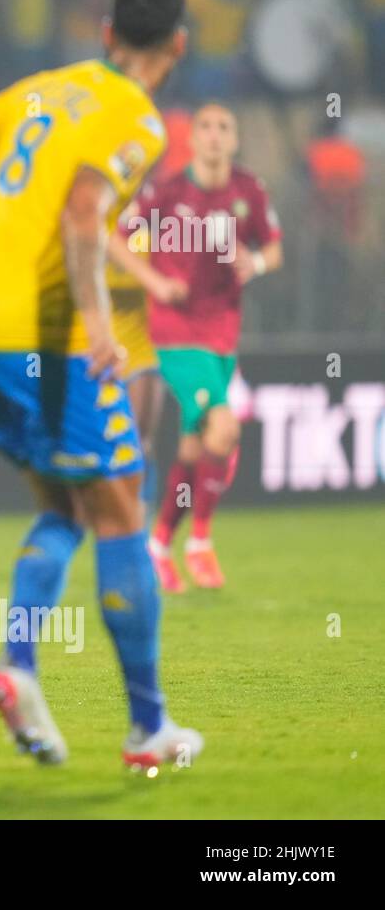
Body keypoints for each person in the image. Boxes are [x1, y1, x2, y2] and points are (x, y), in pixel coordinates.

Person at [0, 0, 203, 769]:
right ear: (176, 45)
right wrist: (100, 323)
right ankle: (149, 730)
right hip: (47, 339)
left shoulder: (39, 88)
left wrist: (2, 213)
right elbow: (81, 211)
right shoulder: (138, 120)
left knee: (64, 509)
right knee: (120, 510)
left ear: (107, 34)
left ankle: (19, 669)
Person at [115, 104, 282, 591]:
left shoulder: (249, 191)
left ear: (234, 139)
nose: (213, 135)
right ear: (193, 139)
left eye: (223, 127)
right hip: (174, 330)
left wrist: (256, 264)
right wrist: (154, 281)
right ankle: (200, 541)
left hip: (222, 332)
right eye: (205, 127)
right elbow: (116, 239)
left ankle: (160, 542)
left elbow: (274, 248)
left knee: (196, 444)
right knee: (224, 428)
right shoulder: (167, 191)